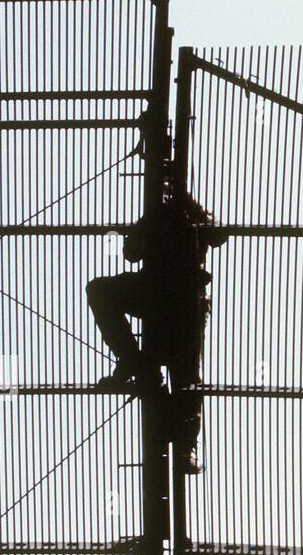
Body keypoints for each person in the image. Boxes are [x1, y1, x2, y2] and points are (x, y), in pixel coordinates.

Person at [86, 191, 223, 471]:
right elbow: (130, 253)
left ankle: (186, 445)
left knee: (186, 378)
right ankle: (135, 363)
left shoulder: (194, 214)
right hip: (155, 291)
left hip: (186, 298)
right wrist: (152, 220)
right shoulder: (155, 213)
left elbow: (218, 235)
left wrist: (187, 210)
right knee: (100, 290)